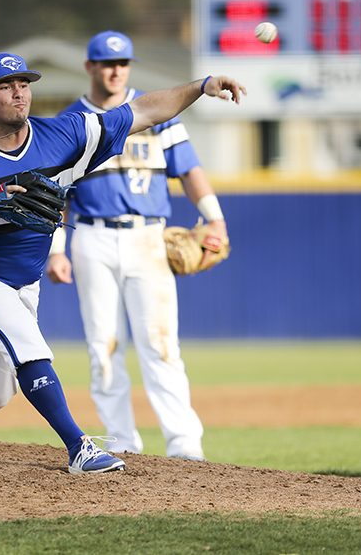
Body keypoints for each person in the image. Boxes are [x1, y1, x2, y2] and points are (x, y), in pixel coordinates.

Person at [0, 50, 245, 474]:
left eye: (24, 85)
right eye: (6, 86)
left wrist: (201, 85)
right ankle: (79, 448)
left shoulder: (65, 135)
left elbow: (141, 111)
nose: (19, 94)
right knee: (30, 347)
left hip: (24, 280)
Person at [45, 31, 228, 461]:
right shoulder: (74, 121)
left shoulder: (159, 111)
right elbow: (59, 196)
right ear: (89, 67)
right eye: (107, 64)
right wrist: (57, 249)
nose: (115, 70)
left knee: (160, 342)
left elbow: (189, 170)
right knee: (103, 346)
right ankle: (122, 439)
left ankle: (185, 444)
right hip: (91, 236)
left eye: (123, 63)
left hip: (149, 236)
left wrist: (215, 216)